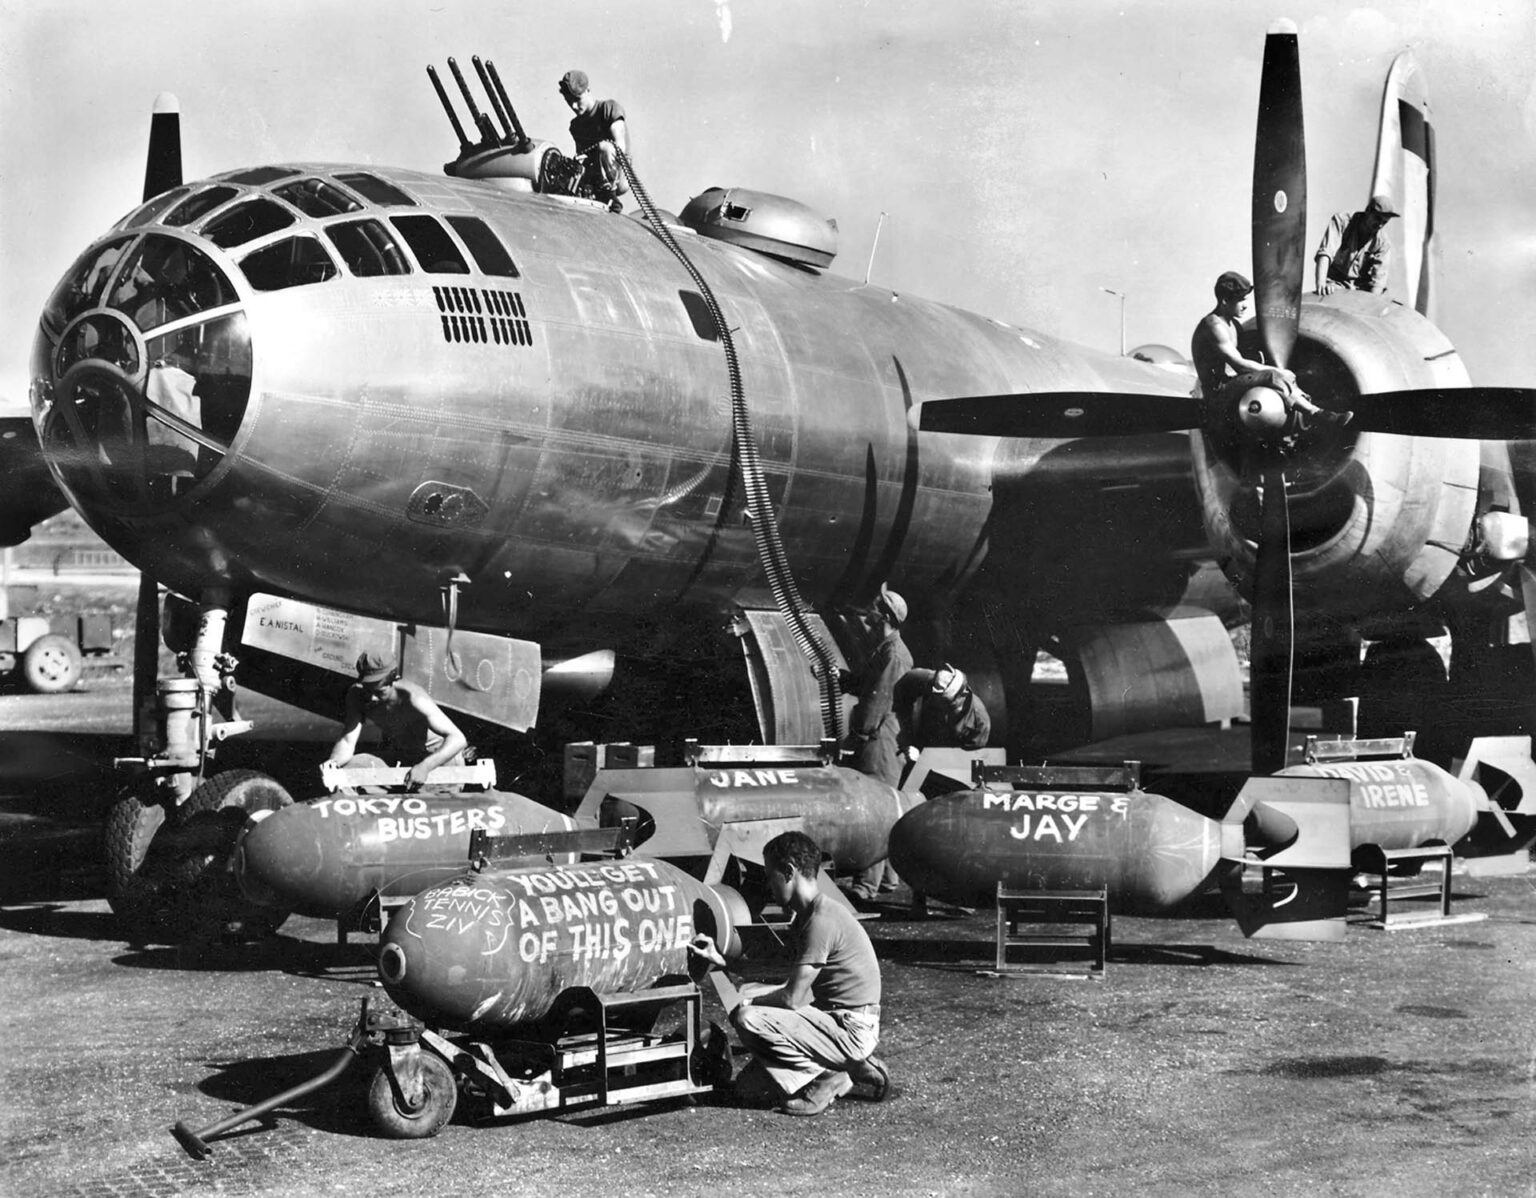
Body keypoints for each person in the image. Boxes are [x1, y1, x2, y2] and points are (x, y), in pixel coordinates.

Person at [688, 830, 889, 1117]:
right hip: (834, 1020)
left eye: (771, 876)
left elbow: (793, 999)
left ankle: (826, 1077)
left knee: (747, 1017)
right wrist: (720, 959)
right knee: (748, 1090)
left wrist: (751, 1005)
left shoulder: (821, 921)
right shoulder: (808, 916)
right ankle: (846, 1068)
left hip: (850, 1028)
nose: (769, 886)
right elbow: (778, 966)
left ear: (789, 871)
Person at [1190, 270, 1347, 431]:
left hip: (1230, 384)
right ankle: (1316, 414)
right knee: (1273, 376)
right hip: (1216, 394)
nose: (1245, 305)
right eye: (1241, 300)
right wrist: (1277, 371)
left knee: (1276, 375)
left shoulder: (1234, 325)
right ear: (1224, 301)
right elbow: (1239, 365)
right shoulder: (1214, 327)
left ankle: (1312, 412)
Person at [838, 583, 913, 900]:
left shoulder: (893, 653)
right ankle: (887, 880)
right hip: (882, 738)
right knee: (888, 808)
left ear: (884, 614)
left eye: (873, 606)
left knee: (874, 810)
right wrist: (841, 677)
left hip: (879, 741)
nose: (867, 611)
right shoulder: (885, 649)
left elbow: (878, 700)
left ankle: (865, 885)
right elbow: (868, 685)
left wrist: (857, 736)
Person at [324, 651, 467, 791]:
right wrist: (332, 765)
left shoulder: (414, 698)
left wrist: (425, 767)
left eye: (379, 692)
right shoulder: (356, 695)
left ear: (393, 680)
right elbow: (347, 741)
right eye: (368, 690)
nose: (372, 698)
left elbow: (458, 739)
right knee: (349, 768)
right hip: (403, 757)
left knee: (432, 802)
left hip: (439, 759)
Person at [558, 69, 629, 212]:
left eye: (577, 100)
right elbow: (582, 154)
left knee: (605, 148)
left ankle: (609, 195)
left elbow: (620, 146)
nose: (574, 106)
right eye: (569, 101)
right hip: (594, 175)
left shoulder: (608, 108)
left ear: (588, 91)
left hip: (619, 173)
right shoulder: (576, 126)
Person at [896, 663, 991, 753]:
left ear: (963, 695)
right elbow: (910, 678)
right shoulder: (936, 680)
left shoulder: (980, 724)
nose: (941, 705)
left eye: (947, 702)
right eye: (939, 699)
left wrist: (920, 758)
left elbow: (963, 759)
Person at [1315, 193, 1398, 295]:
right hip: (1335, 284)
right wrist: (1321, 284)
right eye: (1377, 219)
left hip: (1362, 292)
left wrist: (1369, 305)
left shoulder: (1383, 243)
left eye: (1384, 222)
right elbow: (1326, 253)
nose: (1380, 225)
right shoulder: (1342, 222)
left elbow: (1378, 281)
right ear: (1368, 211)